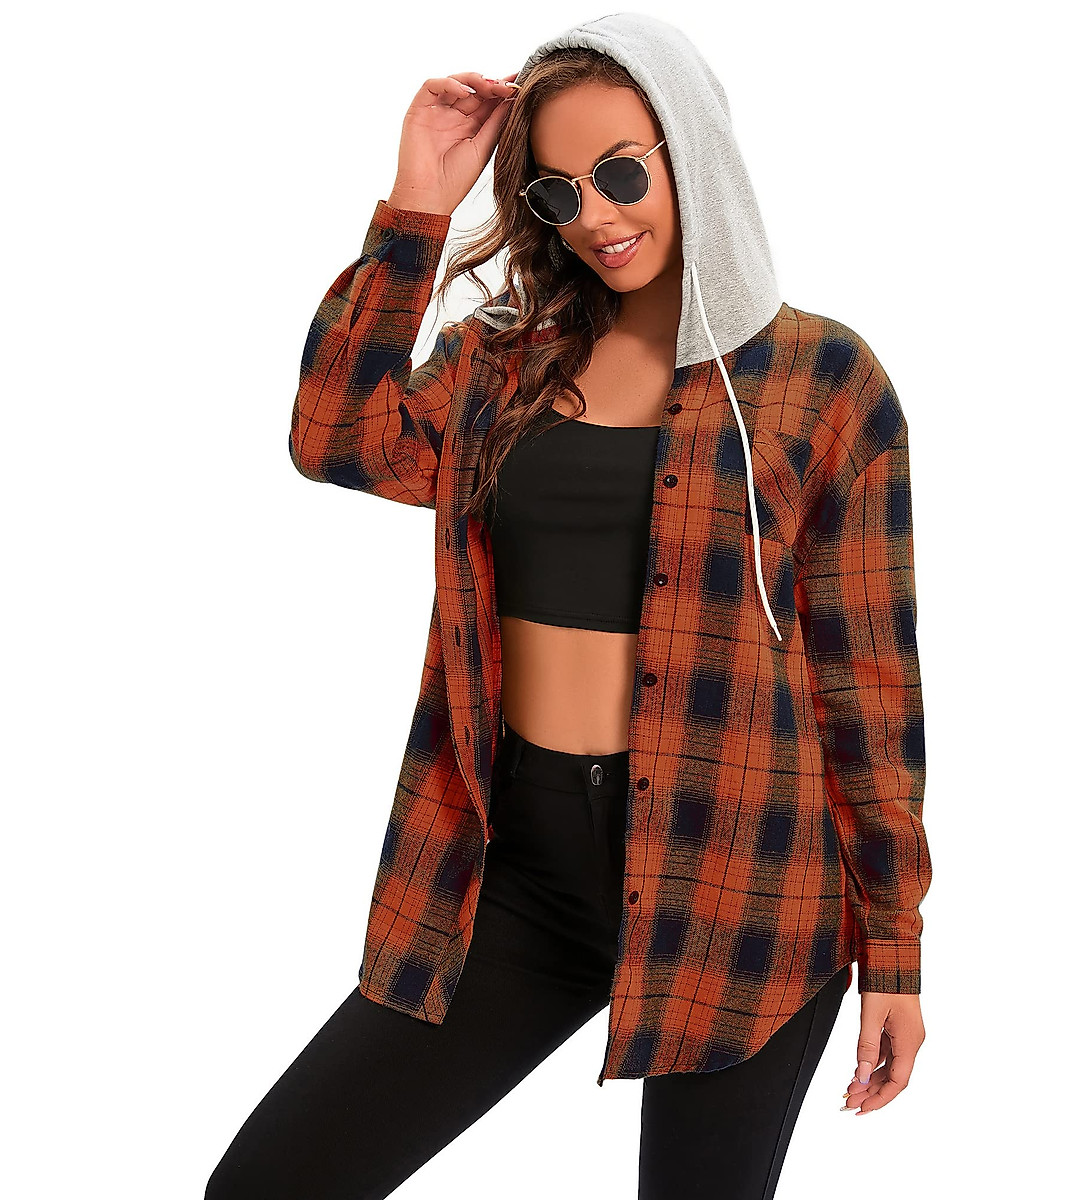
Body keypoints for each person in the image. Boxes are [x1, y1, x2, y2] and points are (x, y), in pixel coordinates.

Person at [206, 12, 931, 1200]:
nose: (595, 215)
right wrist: (417, 206)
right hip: (522, 873)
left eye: (622, 173)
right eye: (557, 192)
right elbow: (335, 438)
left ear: (694, 150)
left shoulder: (824, 381)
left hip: (742, 880)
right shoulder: (502, 359)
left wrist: (895, 951)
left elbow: (869, 685)